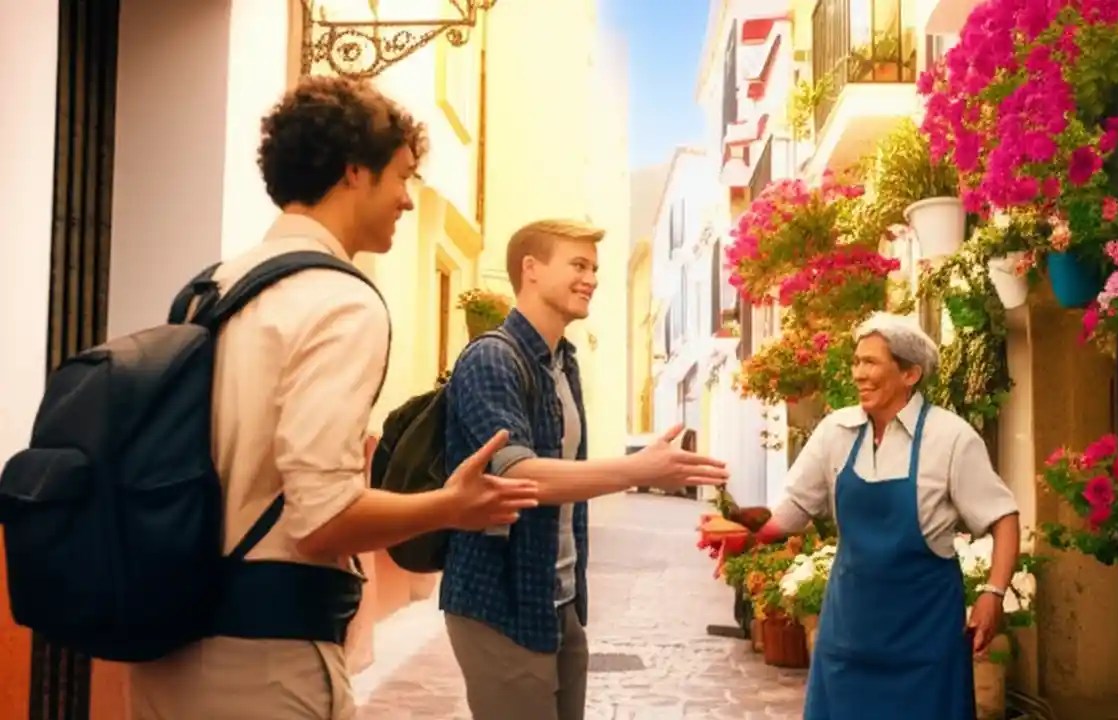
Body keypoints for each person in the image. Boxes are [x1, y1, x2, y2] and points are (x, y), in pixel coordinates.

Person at [129, 76, 540, 720]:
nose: (408, 200)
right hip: (266, 662)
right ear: (354, 172)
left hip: (168, 647)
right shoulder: (341, 301)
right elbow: (321, 519)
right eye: (402, 177)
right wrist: (449, 506)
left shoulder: (212, 287)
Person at [441, 219, 731, 720]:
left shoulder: (562, 363)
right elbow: (519, 476)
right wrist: (637, 470)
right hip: (501, 603)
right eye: (578, 265)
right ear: (530, 270)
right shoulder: (492, 359)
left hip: (560, 600)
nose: (591, 279)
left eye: (594, 268)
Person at [756, 312, 1020, 720]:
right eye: (857, 361)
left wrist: (994, 593)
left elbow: (1003, 517)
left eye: (871, 363)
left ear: (910, 374)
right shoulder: (835, 433)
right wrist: (746, 533)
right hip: (848, 637)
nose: (859, 373)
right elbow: (790, 512)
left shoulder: (950, 438)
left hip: (925, 641)